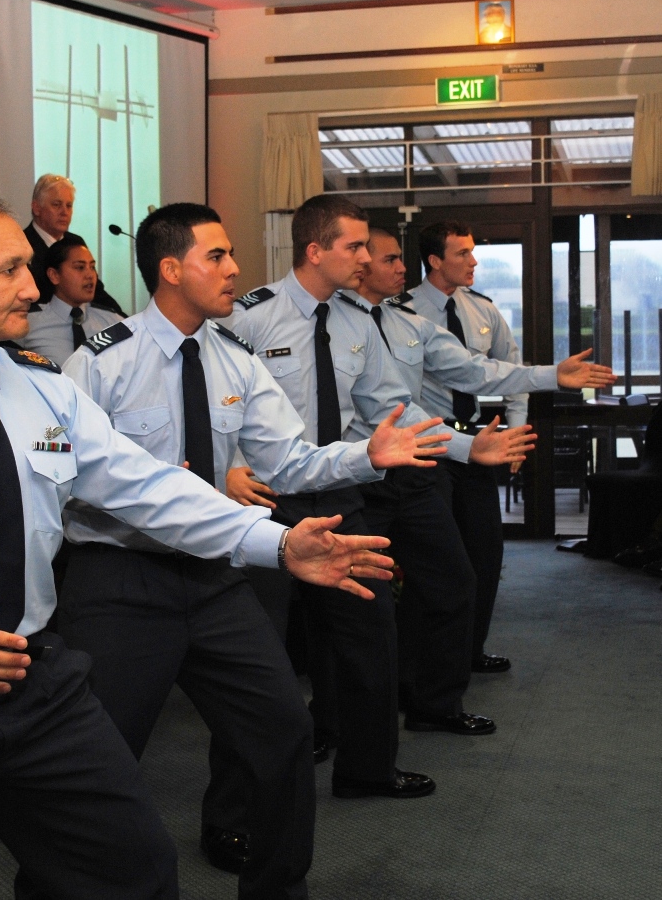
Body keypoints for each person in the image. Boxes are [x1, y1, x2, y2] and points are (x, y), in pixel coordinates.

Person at [0, 187, 396, 900]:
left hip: (36, 684)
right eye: (8, 270)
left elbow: (147, 486)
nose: (32, 286)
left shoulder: (42, 388)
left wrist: (275, 544)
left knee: (133, 873)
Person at [57, 202, 449, 891]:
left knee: (281, 733)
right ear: (170, 268)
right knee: (91, 760)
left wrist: (366, 456)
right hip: (120, 581)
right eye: (217, 256)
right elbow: (60, 483)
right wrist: (137, 491)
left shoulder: (233, 358)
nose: (235, 267)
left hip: (213, 577)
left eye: (232, 254)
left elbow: (288, 461)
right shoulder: (98, 364)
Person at [223, 196, 533, 812]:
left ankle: (366, 767)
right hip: (265, 498)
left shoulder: (358, 321)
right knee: (256, 651)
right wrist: (225, 463)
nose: (366, 258)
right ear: (316, 251)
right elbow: (212, 394)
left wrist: (468, 449)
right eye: (355, 246)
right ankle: (248, 798)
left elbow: (395, 407)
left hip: (337, 488)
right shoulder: (252, 316)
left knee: (369, 629)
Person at [349, 227, 614, 731]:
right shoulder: (343, 321)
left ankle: (436, 695)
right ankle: (358, 713)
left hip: (447, 450)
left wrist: (550, 377)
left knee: (465, 569)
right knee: (372, 596)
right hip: (374, 466)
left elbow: (482, 371)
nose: (398, 267)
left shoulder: (420, 318)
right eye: (383, 257)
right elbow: (389, 408)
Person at [410, 221, 527, 674]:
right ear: (435, 261)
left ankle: (470, 650)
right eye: (462, 253)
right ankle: (427, 658)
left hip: (478, 445)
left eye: (472, 252)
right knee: (438, 562)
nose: (473, 261)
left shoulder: (483, 311)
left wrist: (514, 435)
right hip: (431, 448)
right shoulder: (402, 313)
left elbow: (511, 374)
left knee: (484, 553)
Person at [24, 174, 125, 314]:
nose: (64, 212)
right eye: (56, 205)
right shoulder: (21, 244)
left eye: (69, 206)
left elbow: (97, 293)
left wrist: (125, 322)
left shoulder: (75, 243)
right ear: (36, 208)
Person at [16, 238, 120, 365]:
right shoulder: (28, 322)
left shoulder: (112, 321)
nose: (90, 275)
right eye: (80, 267)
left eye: (92, 267)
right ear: (54, 275)